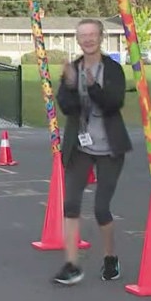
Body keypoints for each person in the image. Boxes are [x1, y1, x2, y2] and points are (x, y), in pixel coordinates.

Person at [52, 18, 133, 285]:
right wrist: (71, 86)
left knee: (101, 208)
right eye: (82, 35)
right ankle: (71, 265)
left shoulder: (112, 69)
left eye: (92, 34)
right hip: (80, 146)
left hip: (109, 147)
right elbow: (66, 107)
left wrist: (92, 86)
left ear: (101, 37)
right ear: (77, 40)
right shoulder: (72, 69)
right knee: (71, 204)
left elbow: (114, 103)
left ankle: (110, 258)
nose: (87, 39)